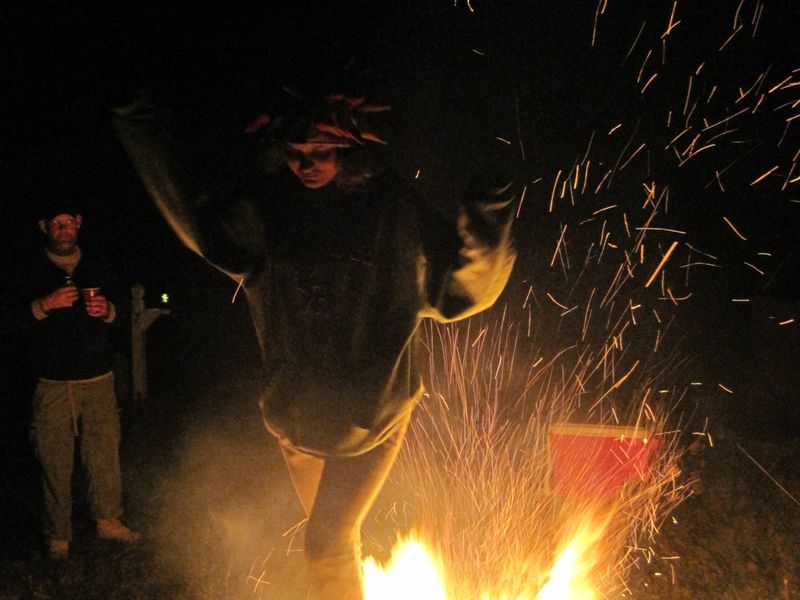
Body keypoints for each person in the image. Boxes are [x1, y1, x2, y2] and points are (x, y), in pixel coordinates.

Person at [112, 91, 515, 599]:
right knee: (333, 544)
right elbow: (201, 226)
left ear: (348, 150)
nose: (305, 165)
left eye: (320, 153)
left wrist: (490, 207)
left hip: (370, 417)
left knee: (325, 542)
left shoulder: (389, 209)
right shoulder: (269, 209)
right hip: (294, 418)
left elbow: (458, 287)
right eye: (295, 153)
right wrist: (140, 123)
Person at [8, 199, 140, 560]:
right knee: (54, 460)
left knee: (103, 455)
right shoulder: (28, 269)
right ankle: (58, 535)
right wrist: (44, 305)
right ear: (44, 227)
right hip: (51, 382)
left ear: (79, 224)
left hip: (98, 377)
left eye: (69, 222)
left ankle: (108, 520)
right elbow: (11, 320)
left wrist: (108, 310)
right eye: (57, 224)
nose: (64, 229)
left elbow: (126, 314)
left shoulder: (96, 264)